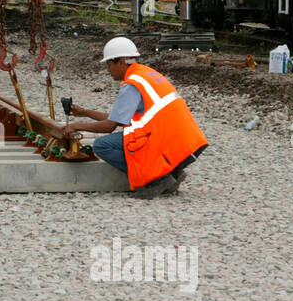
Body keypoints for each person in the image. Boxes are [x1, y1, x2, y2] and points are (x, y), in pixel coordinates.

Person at [63, 36, 208, 199]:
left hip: (162, 139)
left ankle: (157, 178)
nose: (108, 70)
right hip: (180, 139)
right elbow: (118, 119)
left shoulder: (132, 84)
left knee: (102, 145)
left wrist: (77, 125)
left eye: (109, 65)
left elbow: (110, 126)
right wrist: (85, 112)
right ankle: (171, 172)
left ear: (121, 62)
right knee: (126, 137)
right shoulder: (146, 74)